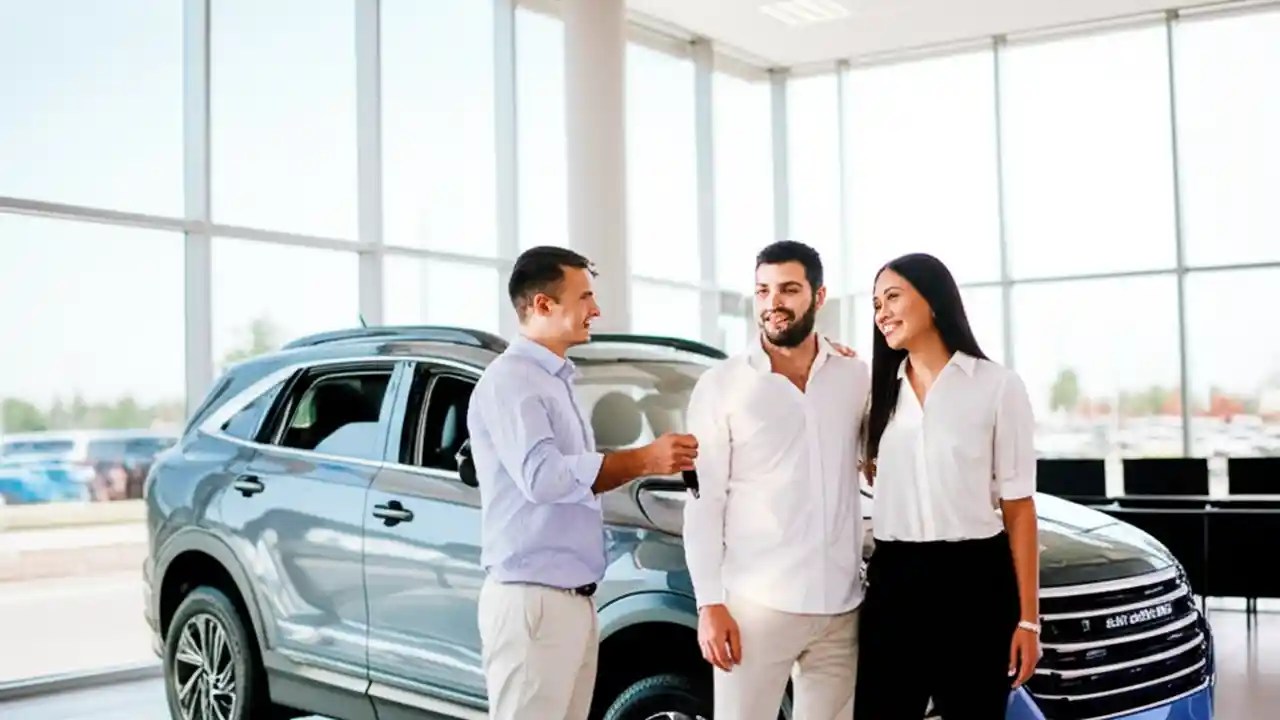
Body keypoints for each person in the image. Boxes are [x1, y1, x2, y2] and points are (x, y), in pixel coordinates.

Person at [467, 245, 700, 720]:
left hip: (573, 601)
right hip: (534, 604)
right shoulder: (512, 381)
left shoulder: (556, 381)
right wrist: (643, 460)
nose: (596, 310)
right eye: (585, 298)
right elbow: (543, 477)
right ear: (542, 306)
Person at [683, 240, 870, 720]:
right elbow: (705, 502)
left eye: (788, 289)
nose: (773, 304)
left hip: (841, 610)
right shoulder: (722, 386)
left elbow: (880, 461)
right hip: (757, 608)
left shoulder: (855, 377)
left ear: (819, 296)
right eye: (763, 291)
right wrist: (710, 604)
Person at [853, 252, 1040, 719]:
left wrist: (1029, 620)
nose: (882, 313)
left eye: (893, 297)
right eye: (876, 304)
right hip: (895, 579)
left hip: (975, 581)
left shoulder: (998, 386)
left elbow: (1020, 509)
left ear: (934, 301)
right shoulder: (875, 395)